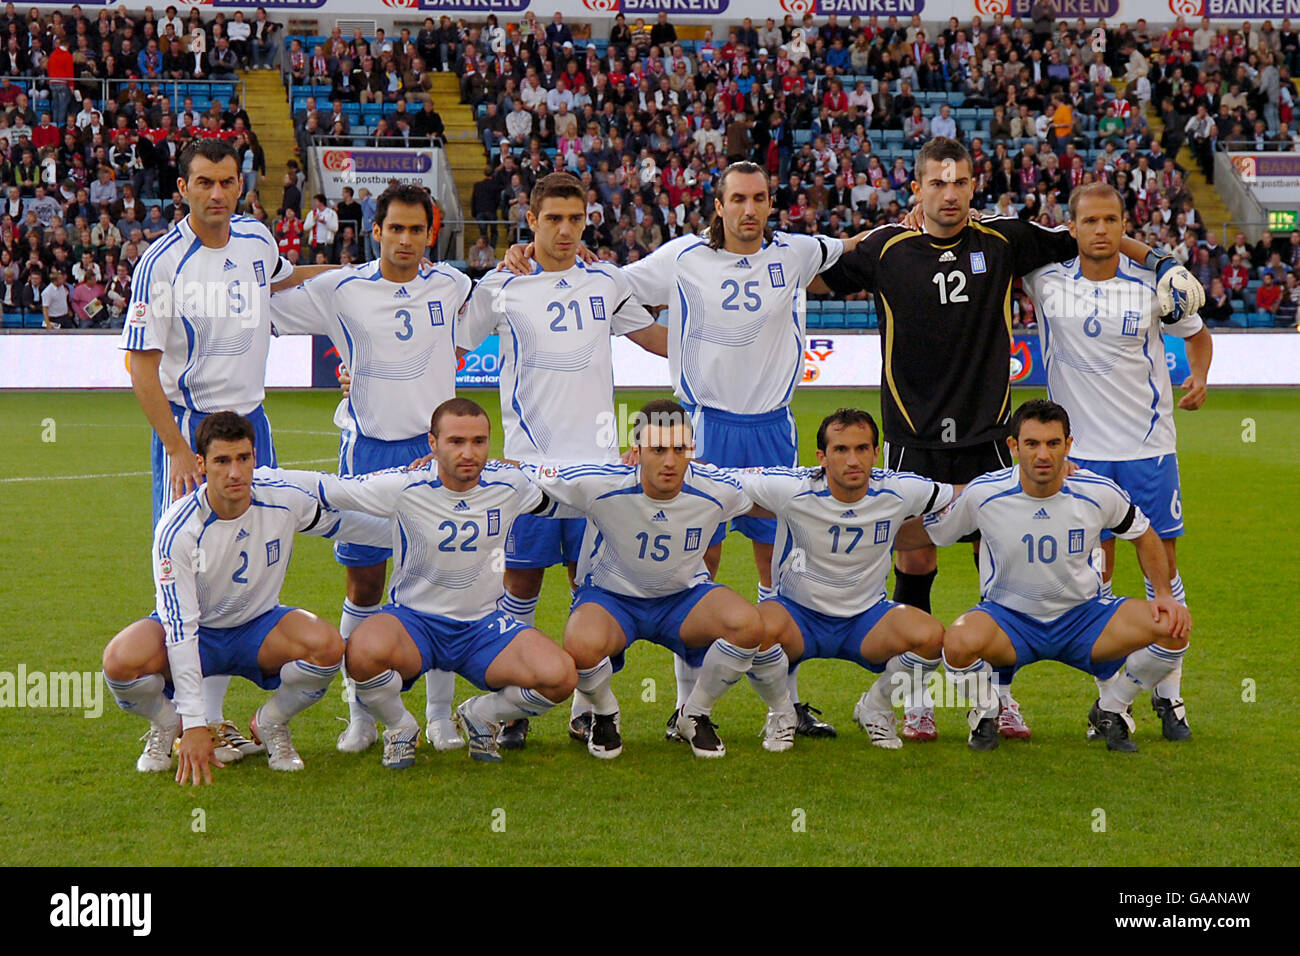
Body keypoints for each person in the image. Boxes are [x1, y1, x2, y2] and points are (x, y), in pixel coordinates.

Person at [810, 136, 1203, 741]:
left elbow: (1090, 232)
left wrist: (1161, 262)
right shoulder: (885, 247)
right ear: (916, 188)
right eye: (936, 184)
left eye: (960, 183)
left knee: (1001, 565)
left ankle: (993, 697)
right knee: (916, 562)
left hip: (990, 432)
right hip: (912, 437)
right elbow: (804, 276)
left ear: (973, 186)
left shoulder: (1002, 238)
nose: (949, 194)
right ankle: (913, 695)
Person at [505, 161, 870, 741]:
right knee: (694, 569)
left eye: (760, 198)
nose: (750, 210)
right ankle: (685, 708)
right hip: (704, 430)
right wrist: (527, 257)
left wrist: (912, 223)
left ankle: (788, 705)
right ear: (718, 206)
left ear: (770, 202)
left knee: (781, 574)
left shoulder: (796, 253)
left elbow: (853, 244)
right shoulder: (679, 258)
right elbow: (606, 284)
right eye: (738, 199)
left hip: (774, 429)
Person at [120, 138, 336, 759]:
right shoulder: (161, 264)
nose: (217, 194)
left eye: (228, 182)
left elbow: (292, 281)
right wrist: (178, 451)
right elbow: (141, 365)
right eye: (204, 183)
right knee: (188, 563)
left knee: (249, 555)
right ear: (182, 189)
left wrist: (361, 274)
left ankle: (223, 719)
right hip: (191, 434)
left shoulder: (257, 241)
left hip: (253, 427)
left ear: (240, 186)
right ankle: (188, 720)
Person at [458, 172, 667, 749]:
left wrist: (721, 348)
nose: (567, 229)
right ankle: (515, 702)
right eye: (554, 218)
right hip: (528, 473)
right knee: (518, 585)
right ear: (531, 221)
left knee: (591, 592)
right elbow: (451, 345)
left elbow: (652, 338)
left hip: (597, 475)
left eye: (576, 218)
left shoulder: (605, 279)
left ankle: (586, 705)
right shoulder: (503, 284)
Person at [270, 183, 470, 755]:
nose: (406, 240)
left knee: (441, 583)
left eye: (417, 229)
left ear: (429, 233)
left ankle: (437, 716)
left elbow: (497, 305)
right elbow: (266, 300)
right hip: (368, 453)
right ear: (375, 231)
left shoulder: (452, 284)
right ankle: (360, 712)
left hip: (437, 455)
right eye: (395, 228)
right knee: (365, 581)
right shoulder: (341, 289)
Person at [100, 412, 391, 783]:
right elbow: (180, 626)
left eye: (243, 458)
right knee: (120, 661)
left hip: (258, 629)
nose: (235, 472)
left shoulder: (281, 500)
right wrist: (192, 723)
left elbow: (343, 525)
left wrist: (414, 535)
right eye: (222, 461)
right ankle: (165, 725)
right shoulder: (178, 528)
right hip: (199, 631)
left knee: (327, 645)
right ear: (201, 464)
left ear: (255, 457)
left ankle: (271, 723)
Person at [1022, 183, 1211, 739]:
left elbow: (1198, 337)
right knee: (1094, 579)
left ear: (1123, 224)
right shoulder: (1047, 282)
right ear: (1072, 227)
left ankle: (1169, 697)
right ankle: (1114, 702)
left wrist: (1199, 375)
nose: (1100, 230)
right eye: (1089, 221)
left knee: (1164, 575)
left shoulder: (1154, 289)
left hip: (1149, 452)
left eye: (1111, 220)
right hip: (1082, 461)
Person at [896, 399, 1192, 753]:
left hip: (1084, 619)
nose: (1043, 455)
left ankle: (1111, 707)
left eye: (1053, 444)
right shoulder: (984, 494)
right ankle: (986, 710)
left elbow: (1143, 534)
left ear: (1068, 445)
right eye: (1032, 443)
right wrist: (871, 531)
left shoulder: (1097, 491)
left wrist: (1162, 594)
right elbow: (931, 533)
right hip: (1009, 621)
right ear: (1013, 447)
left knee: (1173, 627)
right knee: (957, 643)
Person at [313, 398, 580, 767]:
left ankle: (481, 713)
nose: (469, 452)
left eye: (478, 441)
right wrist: (257, 484)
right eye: (456, 441)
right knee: (360, 653)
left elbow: (573, 488)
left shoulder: (511, 484)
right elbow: (330, 488)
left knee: (561, 677)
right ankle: (400, 727)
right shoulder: (405, 485)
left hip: (483, 627)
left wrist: (636, 471)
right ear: (433, 444)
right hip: (415, 622)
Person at [527, 399, 765, 759]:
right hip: (613, 600)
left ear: (692, 450)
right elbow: (523, 473)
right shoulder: (601, 483)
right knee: (580, 643)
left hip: (682, 600)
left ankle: (694, 714)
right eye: (657, 450)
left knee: (747, 625)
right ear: (635, 451)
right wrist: (442, 471)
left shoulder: (718, 487)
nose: (669, 461)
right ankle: (605, 714)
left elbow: (786, 490)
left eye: (678, 449)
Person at [725, 409, 953, 750]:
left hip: (866, 620)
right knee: (753, 630)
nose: (853, 460)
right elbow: (715, 479)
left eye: (862, 449)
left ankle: (875, 707)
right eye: (841, 450)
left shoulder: (900, 490)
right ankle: (782, 712)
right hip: (797, 617)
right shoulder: (791, 488)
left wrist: (1047, 476)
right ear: (822, 456)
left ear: (876, 453)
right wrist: (640, 462)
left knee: (933, 637)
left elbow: (964, 495)